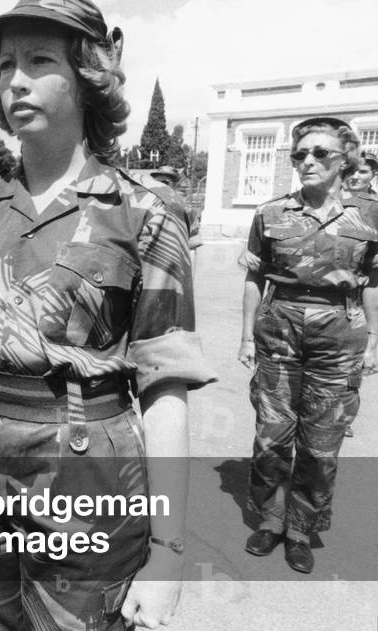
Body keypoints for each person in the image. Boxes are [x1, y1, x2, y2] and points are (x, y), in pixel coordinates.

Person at [0, 1, 216, 628]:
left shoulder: (144, 212)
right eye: (5, 65)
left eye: (39, 60)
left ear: (87, 75)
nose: (15, 80)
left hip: (86, 471)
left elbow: (165, 386)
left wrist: (167, 555)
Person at [237, 116, 378, 574]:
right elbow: (254, 277)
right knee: (272, 432)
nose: (307, 161)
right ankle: (272, 520)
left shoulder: (369, 215)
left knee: (322, 440)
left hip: (341, 332)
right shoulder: (271, 212)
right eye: (299, 154)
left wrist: (375, 339)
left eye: (320, 153)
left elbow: (373, 281)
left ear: (346, 159)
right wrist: (245, 335)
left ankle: (300, 527)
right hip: (279, 330)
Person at [150, 165, 204, 267]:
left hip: (173, 267)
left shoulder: (186, 210)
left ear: (175, 184)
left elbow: (192, 246)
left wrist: (189, 278)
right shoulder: (145, 205)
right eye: (157, 181)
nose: (160, 185)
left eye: (165, 182)